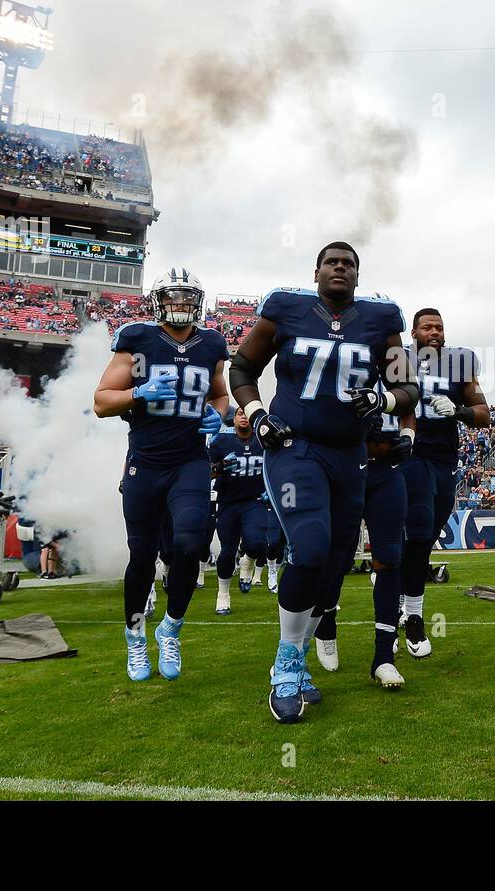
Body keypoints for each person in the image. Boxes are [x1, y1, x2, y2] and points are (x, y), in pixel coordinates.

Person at [228, 242, 419, 723]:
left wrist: (383, 402)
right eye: (332, 261)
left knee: (333, 566)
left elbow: (408, 386)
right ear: (316, 271)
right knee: (310, 548)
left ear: (358, 274)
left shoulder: (381, 319)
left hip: (350, 454)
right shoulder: (286, 308)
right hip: (295, 447)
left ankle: (300, 656)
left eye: (349, 262)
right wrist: (257, 412)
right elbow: (243, 367)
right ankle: (287, 664)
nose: (340, 267)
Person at [93, 268, 230, 683]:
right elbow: (101, 402)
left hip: (190, 460)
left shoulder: (212, 343)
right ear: (158, 301)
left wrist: (217, 414)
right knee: (141, 556)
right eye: (175, 298)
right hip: (145, 462)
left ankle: (171, 628)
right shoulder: (138, 339)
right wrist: (139, 393)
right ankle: (136, 638)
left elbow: (220, 393)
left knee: (190, 547)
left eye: (189, 299)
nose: (182, 306)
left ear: (199, 303)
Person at [399, 308, 490, 658]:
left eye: (439, 327)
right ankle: (415, 618)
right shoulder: (397, 359)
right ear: (414, 332)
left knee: (425, 537)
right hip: (409, 453)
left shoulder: (460, 362)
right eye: (427, 327)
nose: (434, 332)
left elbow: (483, 415)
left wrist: (458, 410)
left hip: (443, 458)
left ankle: (396, 598)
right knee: (420, 530)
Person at [312, 406, 416, 688]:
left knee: (390, 557)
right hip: (345, 466)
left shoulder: (400, 366)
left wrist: (408, 436)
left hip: (388, 470)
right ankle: (327, 622)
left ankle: (383, 657)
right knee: (339, 558)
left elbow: (409, 406)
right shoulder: (351, 363)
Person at [207, 407, 269, 615]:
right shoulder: (220, 443)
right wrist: (221, 465)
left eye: (247, 414)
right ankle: (223, 595)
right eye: (239, 413)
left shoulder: (265, 440)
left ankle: (247, 562)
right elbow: (205, 473)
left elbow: (279, 467)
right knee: (227, 551)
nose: (243, 417)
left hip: (255, 501)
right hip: (228, 503)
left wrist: (273, 490)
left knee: (257, 543)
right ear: (233, 419)